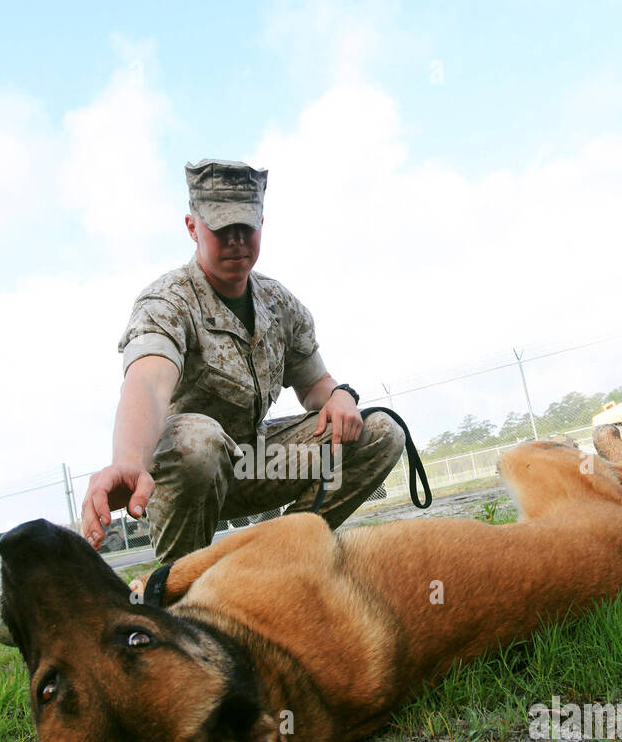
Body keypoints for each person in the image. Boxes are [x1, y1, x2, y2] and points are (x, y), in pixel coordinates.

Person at [80, 158, 405, 563]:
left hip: (256, 464)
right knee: (197, 440)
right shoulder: (168, 302)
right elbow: (148, 382)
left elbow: (313, 384)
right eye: (220, 228)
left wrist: (340, 396)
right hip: (190, 477)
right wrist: (128, 462)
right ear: (192, 227)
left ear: (261, 224)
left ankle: (277, 559)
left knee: (380, 430)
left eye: (245, 227)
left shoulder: (278, 302)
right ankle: (182, 589)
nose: (235, 239)